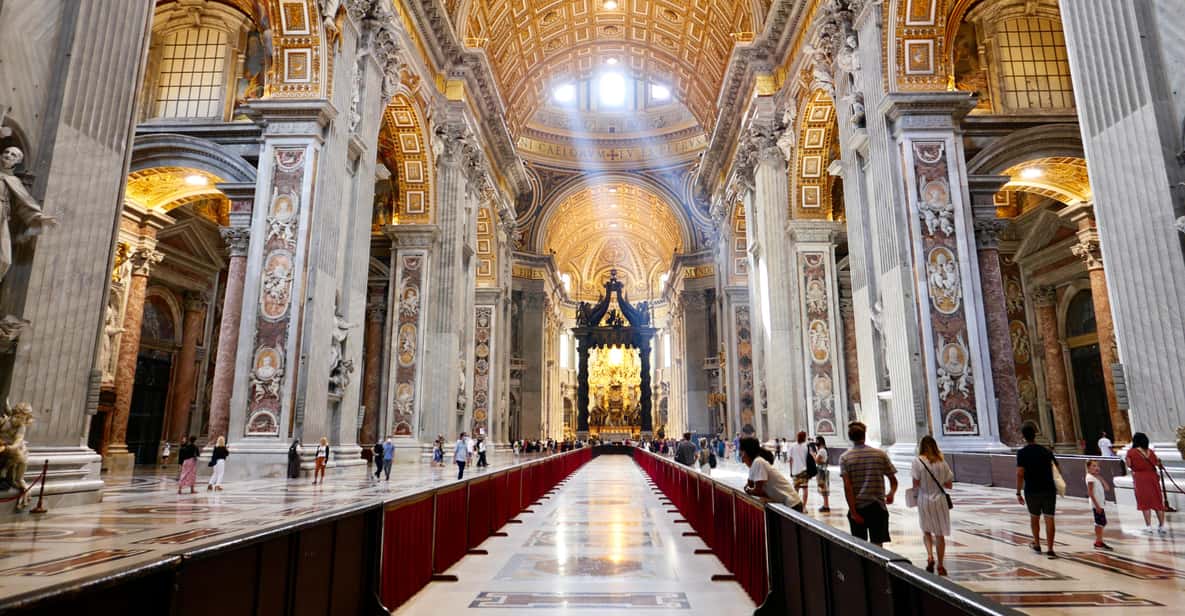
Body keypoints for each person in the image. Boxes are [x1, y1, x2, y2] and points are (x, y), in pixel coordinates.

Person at [840, 421, 898, 547]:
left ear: (850, 437)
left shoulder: (845, 458)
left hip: (858, 507)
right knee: (878, 545)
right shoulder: (880, 454)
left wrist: (853, 512)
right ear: (864, 435)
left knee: (859, 546)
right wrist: (891, 493)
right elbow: (893, 480)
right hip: (877, 507)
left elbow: (848, 487)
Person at [911, 435, 954, 575]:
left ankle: (930, 556)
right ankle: (941, 565)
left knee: (926, 530)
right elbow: (949, 485)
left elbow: (915, 484)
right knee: (939, 533)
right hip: (940, 500)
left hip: (924, 499)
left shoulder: (917, 461)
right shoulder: (942, 462)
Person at [1016, 422, 1060, 558]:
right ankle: (1051, 548)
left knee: (1034, 517)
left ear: (1023, 437)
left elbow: (1020, 473)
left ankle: (1037, 543)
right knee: (1049, 518)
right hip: (1048, 489)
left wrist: (1018, 492)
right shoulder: (1046, 451)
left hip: (1032, 489)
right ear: (1035, 435)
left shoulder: (1022, 453)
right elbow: (1057, 469)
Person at [740, 437, 803, 510]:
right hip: (787, 505)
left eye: (742, 453)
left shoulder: (758, 462)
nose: (742, 459)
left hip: (792, 504)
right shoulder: (755, 464)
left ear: (747, 452)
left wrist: (748, 490)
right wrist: (749, 487)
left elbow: (757, 490)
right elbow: (750, 484)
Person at [1125, 432, 1167, 535]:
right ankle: (1162, 526)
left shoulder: (1131, 452)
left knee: (1145, 503)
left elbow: (1129, 465)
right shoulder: (1151, 452)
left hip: (1140, 479)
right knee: (1157, 501)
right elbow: (1158, 464)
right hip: (1153, 478)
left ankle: (1148, 527)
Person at [1085, 460, 1114, 550]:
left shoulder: (1095, 478)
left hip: (1100, 503)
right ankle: (1099, 542)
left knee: (1101, 522)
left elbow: (1107, 488)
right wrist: (1097, 506)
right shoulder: (1090, 478)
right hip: (1096, 504)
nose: (1096, 468)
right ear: (1088, 468)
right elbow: (1090, 493)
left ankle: (1099, 541)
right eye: (1093, 466)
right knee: (1100, 523)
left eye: (1097, 466)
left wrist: (1101, 478)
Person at [788, 431, 812, 507]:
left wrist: (791, 471)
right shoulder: (806, 446)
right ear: (804, 437)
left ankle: (796, 506)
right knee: (805, 489)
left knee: (796, 490)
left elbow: (790, 460)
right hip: (804, 471)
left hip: (795, 471)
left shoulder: (792, 446)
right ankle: (804, 507)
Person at [814, 436, 831, 512]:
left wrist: (813, 455)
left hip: (821, 471)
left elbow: (817, 461)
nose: (815, 443)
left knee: (824, 488)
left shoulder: (821, 451)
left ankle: (826, 506)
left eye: (816, 441)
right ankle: (825, 505)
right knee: (823, 488)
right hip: (822, 470)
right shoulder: (822, 450)